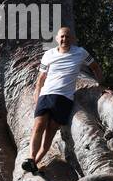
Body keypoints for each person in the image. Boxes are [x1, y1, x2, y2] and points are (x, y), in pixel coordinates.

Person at [22, 26, 105, 172]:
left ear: (71, 39)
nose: (64, 39)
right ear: (57, 39)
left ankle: (34, 162)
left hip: (65, 98)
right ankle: (30, 158)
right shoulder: (48, 54)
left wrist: (101, 85)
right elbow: (41, 77)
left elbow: (95, 67)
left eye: (67, 36)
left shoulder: (80, 52)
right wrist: (37, 91)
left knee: (50, 132)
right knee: (38, 126)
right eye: (61, 37)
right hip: (47, 94)